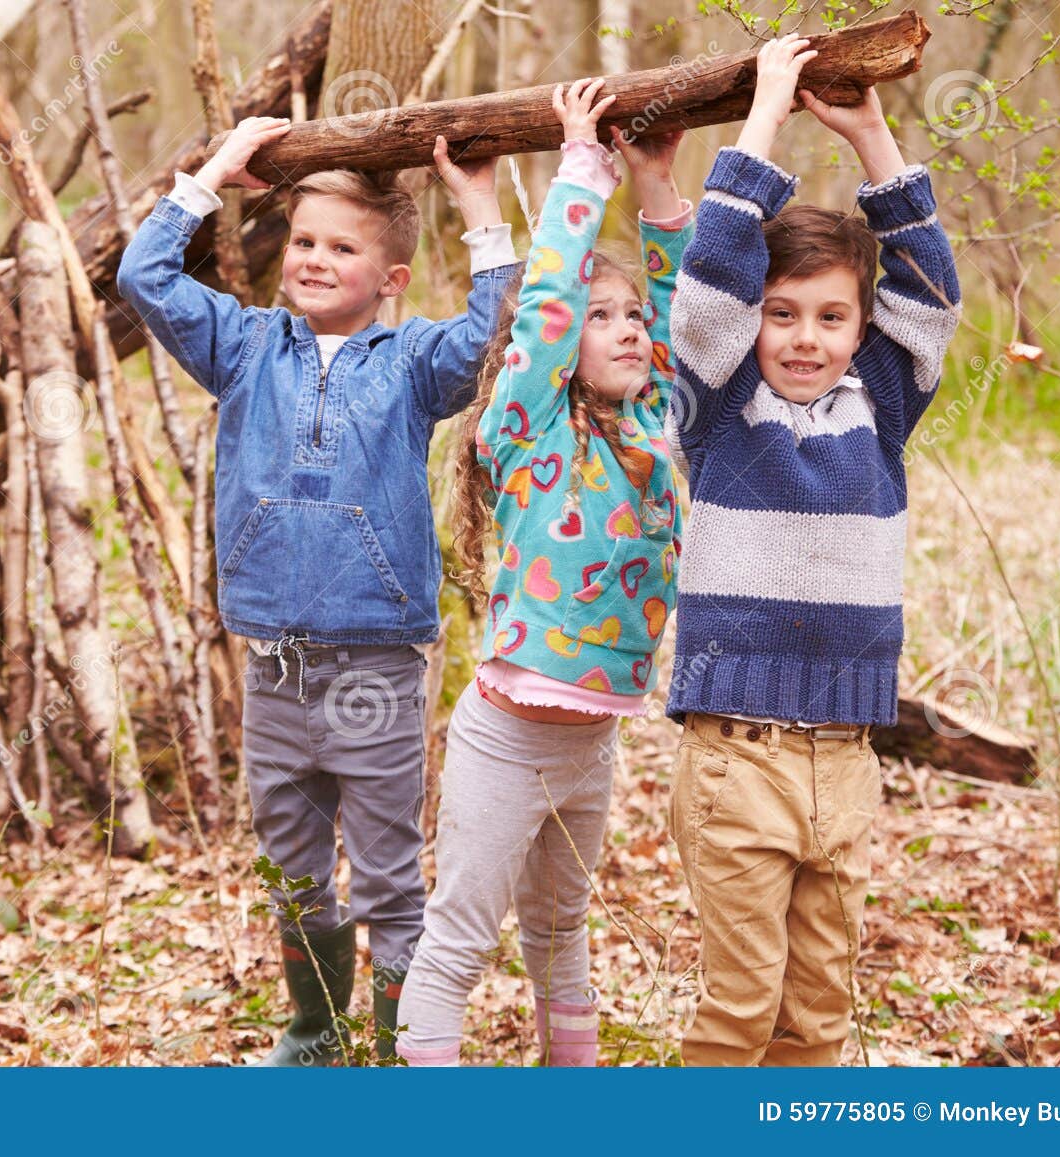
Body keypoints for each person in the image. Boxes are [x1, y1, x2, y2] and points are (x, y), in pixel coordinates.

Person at [116, 117, 517, 1065]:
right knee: (292, 866)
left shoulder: (415, 365)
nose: (314, 260)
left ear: (391, 281)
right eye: (302, 241)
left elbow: (495, 333)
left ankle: (395, 1047)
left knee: (385, 877)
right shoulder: (244, 345)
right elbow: (144, 278)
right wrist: (210, 174)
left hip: (376, 658)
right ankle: (315, 1031)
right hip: (274, 668)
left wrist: (477, 206)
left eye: (342, 247)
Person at [665, 33, 962, 1066]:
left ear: (856, 328)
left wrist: (872, 134)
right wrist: (765, 114)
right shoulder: (714, 408)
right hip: (736, 758)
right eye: (781, 314)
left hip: (844, 755)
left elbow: (927, 297)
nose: (802, 336)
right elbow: (707, 287)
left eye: (831, 317)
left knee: (816, 1019)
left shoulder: (877, 407)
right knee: (740, 1009)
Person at [395, 77, 693, 1067]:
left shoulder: (651, 436)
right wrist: (579, 166)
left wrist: (657, 188)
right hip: (508, 738)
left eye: (629, 316)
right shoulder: (528, 431)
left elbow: (684, 321)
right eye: (598, 316)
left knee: (564, 939)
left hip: (591, 743)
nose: (622, 327)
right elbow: (544, 307)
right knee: (458, 942)